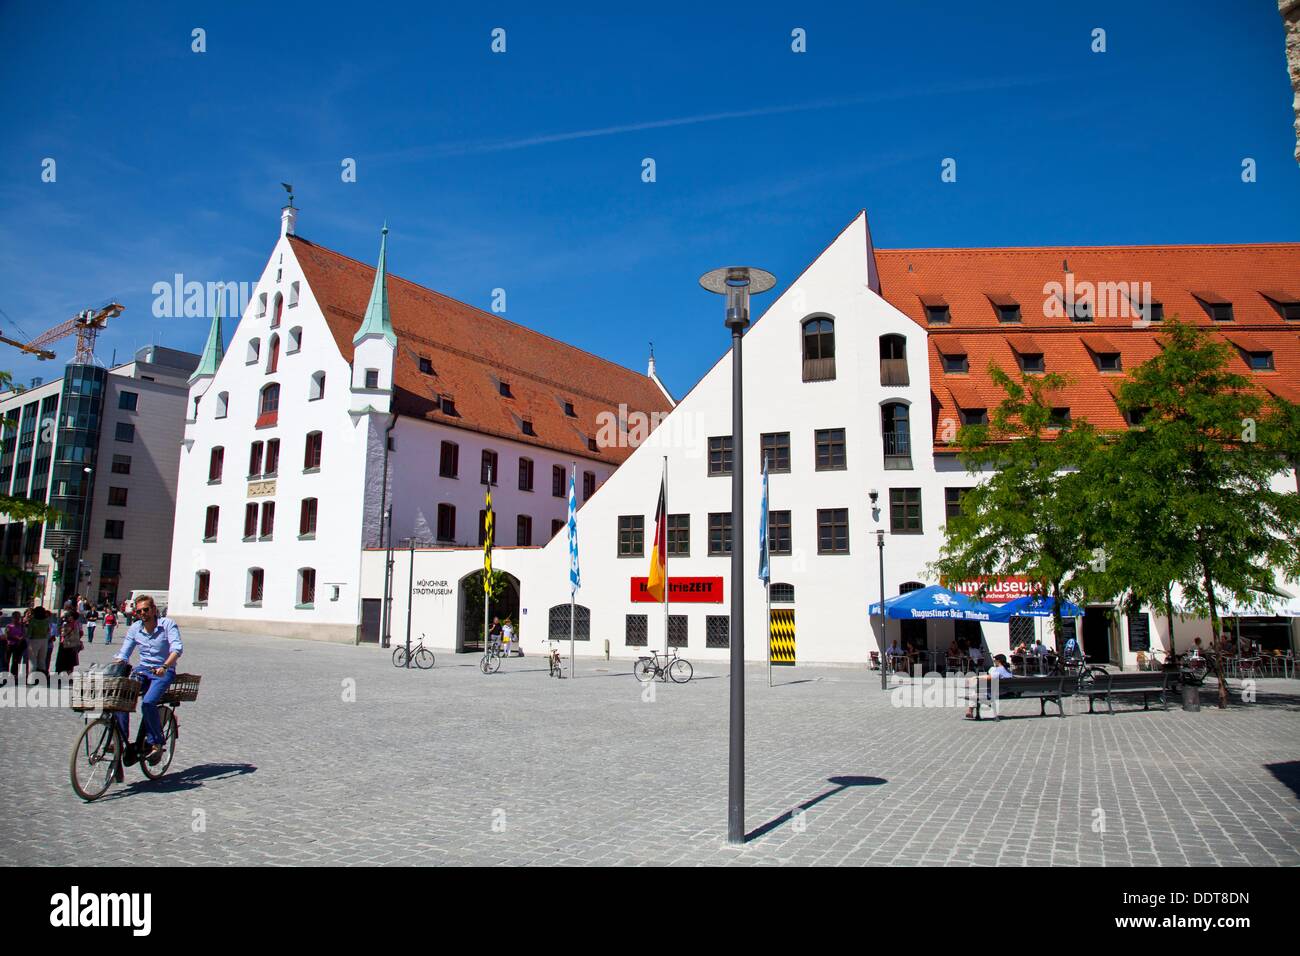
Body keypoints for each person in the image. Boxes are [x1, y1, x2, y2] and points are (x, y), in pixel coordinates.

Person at [111, 595, 183, 765]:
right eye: (139, 611)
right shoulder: (135, 628)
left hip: (163, 671)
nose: (143, 613)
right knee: (120, 699)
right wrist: (114, 664)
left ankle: (156, 742)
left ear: (154, 609)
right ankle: (121, 740)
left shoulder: (167, 625)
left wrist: (165, 666)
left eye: (146, 609)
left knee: (148, 703)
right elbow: (124, 653)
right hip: (143, 670)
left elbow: (177, 649)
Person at [966, 654, 1015, 719]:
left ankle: (970, 710)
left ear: (998, 661)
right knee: (978, 691)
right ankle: (976, 708)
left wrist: (977, 677)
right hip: (1007, 691)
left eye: (995, 660)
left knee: (975, 692)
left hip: (996, 692)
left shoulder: (999, 669)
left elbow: (990, 677)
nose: (994, 662)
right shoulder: (1008, 671)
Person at [25, 606, 51, 682]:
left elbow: (29, 633)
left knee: (32, 661)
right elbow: (48, 631)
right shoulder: (46, 621)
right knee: (42, 660)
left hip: (34, 640)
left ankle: (31, 679)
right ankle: (42, 678)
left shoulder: (33, 621)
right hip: (44, 640)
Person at [3, 611, 26, 684]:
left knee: (16, 661)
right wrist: (16, 638)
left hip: (18, 646)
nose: (17, 619)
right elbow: (7, 636)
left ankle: (14, 676)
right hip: (10, 645)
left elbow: (24, 634)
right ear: (12, 618)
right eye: (15, 617)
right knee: (7, 661)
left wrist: (21, 639)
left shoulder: (22, 626)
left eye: (18, 617)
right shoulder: (9, 626)